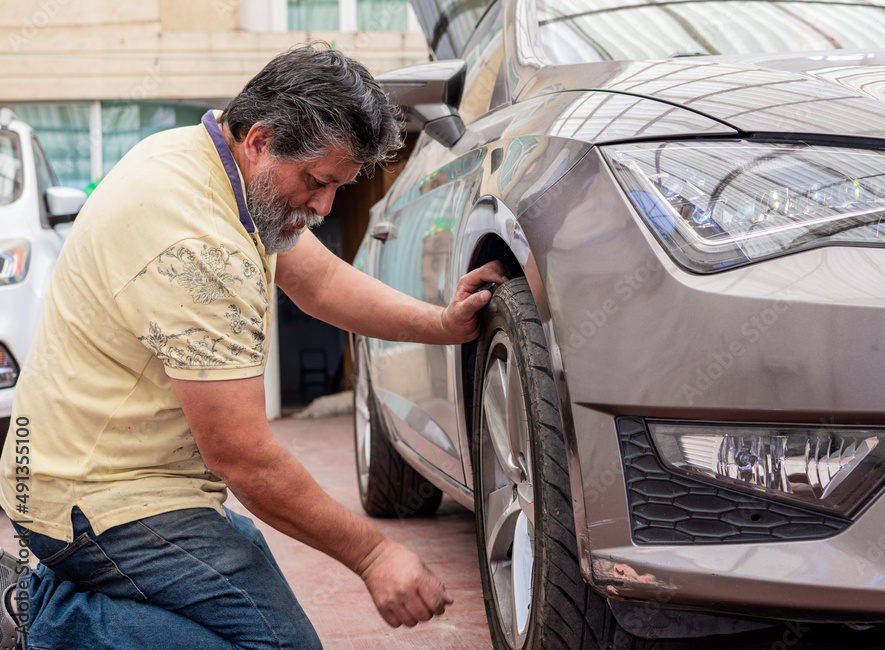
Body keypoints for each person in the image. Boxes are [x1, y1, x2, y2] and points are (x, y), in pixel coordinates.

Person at [0, 43, 506, 649]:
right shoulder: (198, 243)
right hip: (93, 499)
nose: (323, 207)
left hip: (83, 475)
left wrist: (442, 323)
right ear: (262, 139)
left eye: (337, 188)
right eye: (318, 182)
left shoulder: (210, 163)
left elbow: (320, 281)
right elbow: (242, 457)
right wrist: (373, 555)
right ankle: (35, 619)